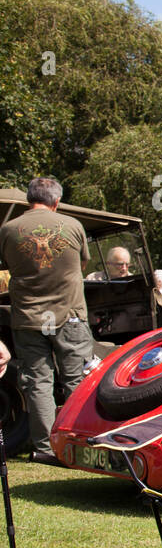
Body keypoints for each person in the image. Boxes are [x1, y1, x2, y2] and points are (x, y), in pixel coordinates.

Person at [0, 178, 95, 466]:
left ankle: (44, 448)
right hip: (70, 315)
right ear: (56, 202)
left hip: (28, 317)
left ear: (29, 199)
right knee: (77, 380)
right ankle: (78, 443)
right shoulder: (73, 226)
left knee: (38, 383)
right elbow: (83, 264)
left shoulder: (7, 229)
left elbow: (5, 267)